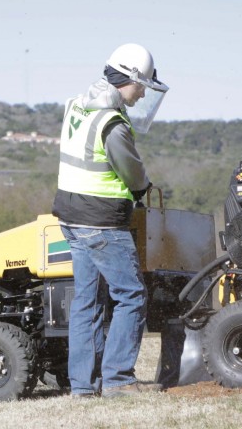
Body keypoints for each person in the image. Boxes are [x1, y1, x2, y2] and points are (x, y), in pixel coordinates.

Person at [51, 43, 169, 399]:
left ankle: (83, 387)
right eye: (143, 85)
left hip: (71, 218)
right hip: (101, 222)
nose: (143, 92)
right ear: (130, 80)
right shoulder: (113, 123)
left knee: (87, 301)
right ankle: (118, 380)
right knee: (131, 296)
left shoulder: (76, 105)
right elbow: (132, 172)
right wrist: (144, 187)